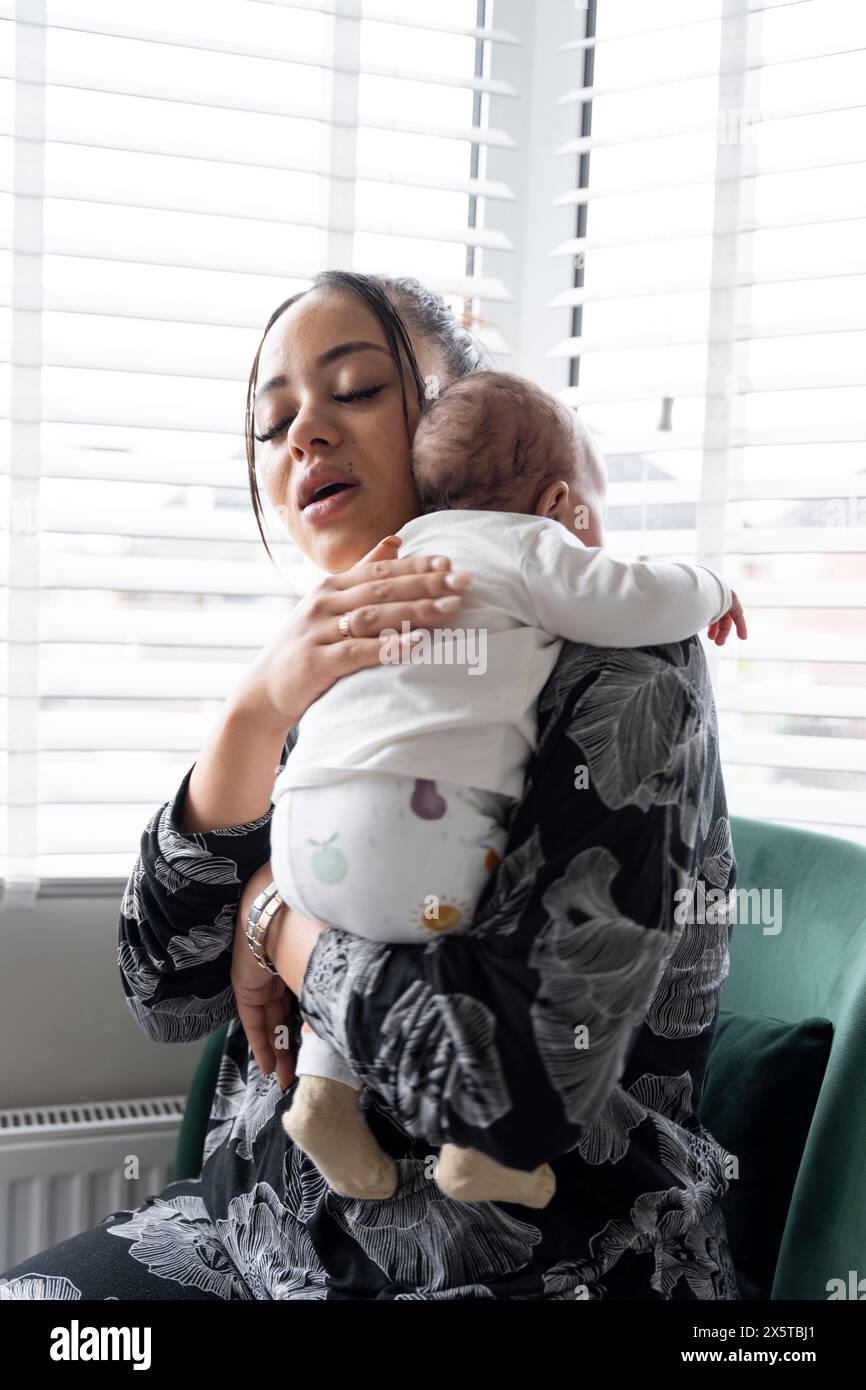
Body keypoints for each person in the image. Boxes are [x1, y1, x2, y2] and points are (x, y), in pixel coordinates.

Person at [0, 271, 741, 1301]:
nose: (304, 432)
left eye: (355, 388)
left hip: (537, 1263)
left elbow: (505, 1086)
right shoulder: (336, 669)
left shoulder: (620, 662)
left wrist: (276, 917)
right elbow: (162, 991)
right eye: (272, 423)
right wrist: (252, 712)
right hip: (255, 1232)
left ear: (467, 423)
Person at [272, 368, 744, 1210]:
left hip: (303, 844)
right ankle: (479, 1146)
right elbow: (631, 595)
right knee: (452, 933)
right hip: (413, 844)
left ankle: (320, 1095)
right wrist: (712, 586)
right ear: (560, 502)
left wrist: (266, 916)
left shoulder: (381, 574)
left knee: (361, 918)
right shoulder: (530, 543)